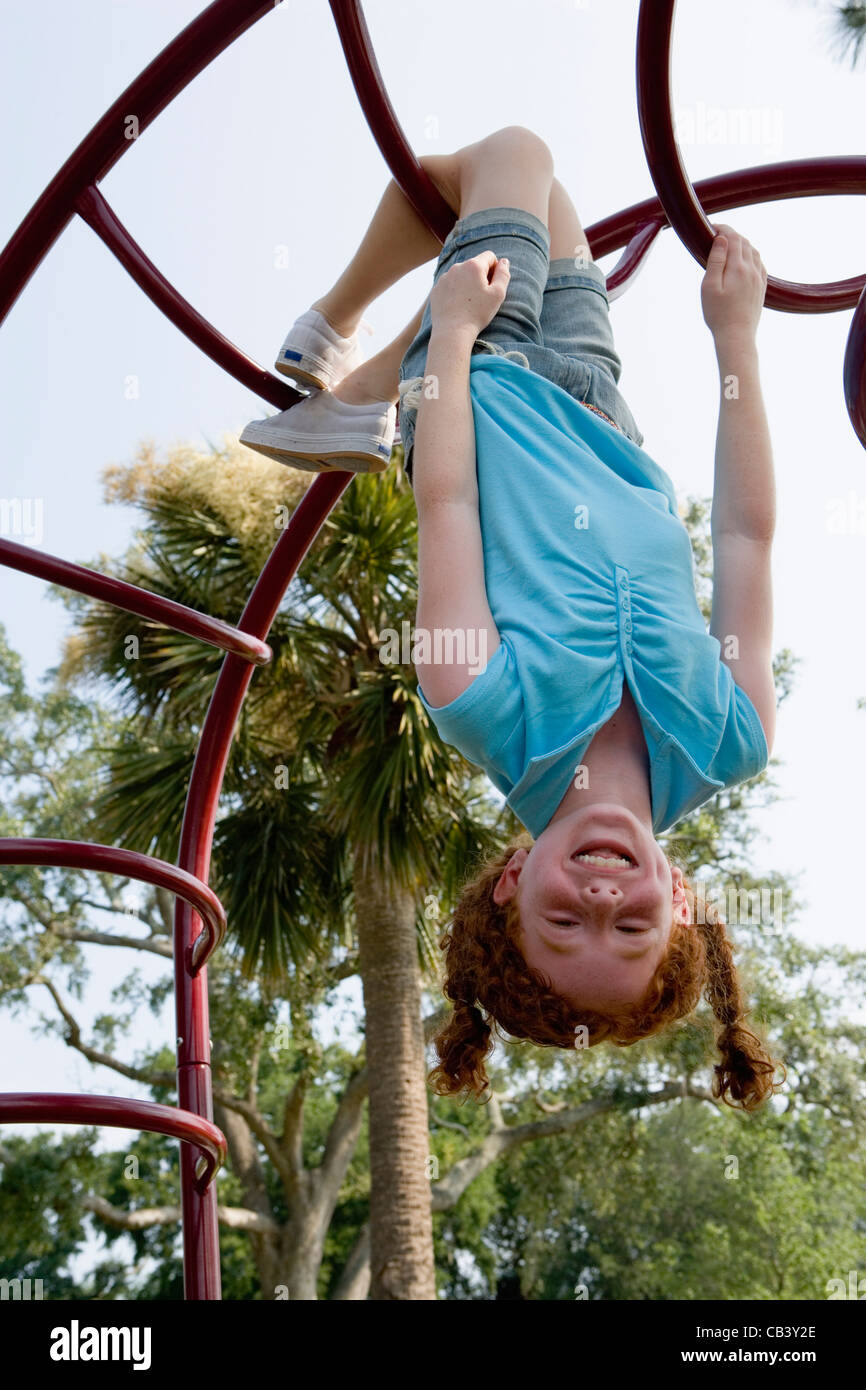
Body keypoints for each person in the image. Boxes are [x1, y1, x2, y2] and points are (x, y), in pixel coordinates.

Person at [239, 126, 784, 1112]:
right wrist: (733, 342)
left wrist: (445, 337)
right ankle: (347, 398)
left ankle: (345, 333)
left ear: (509, 884)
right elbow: (744, 539)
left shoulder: (483, 709)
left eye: (562, 925)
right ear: (685, 907)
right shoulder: (729, 738)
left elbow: (445, 502)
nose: (601, 903)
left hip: (479, 385)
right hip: (598, 403)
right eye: (629, 929)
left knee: (514, 157)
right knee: (543, 194)